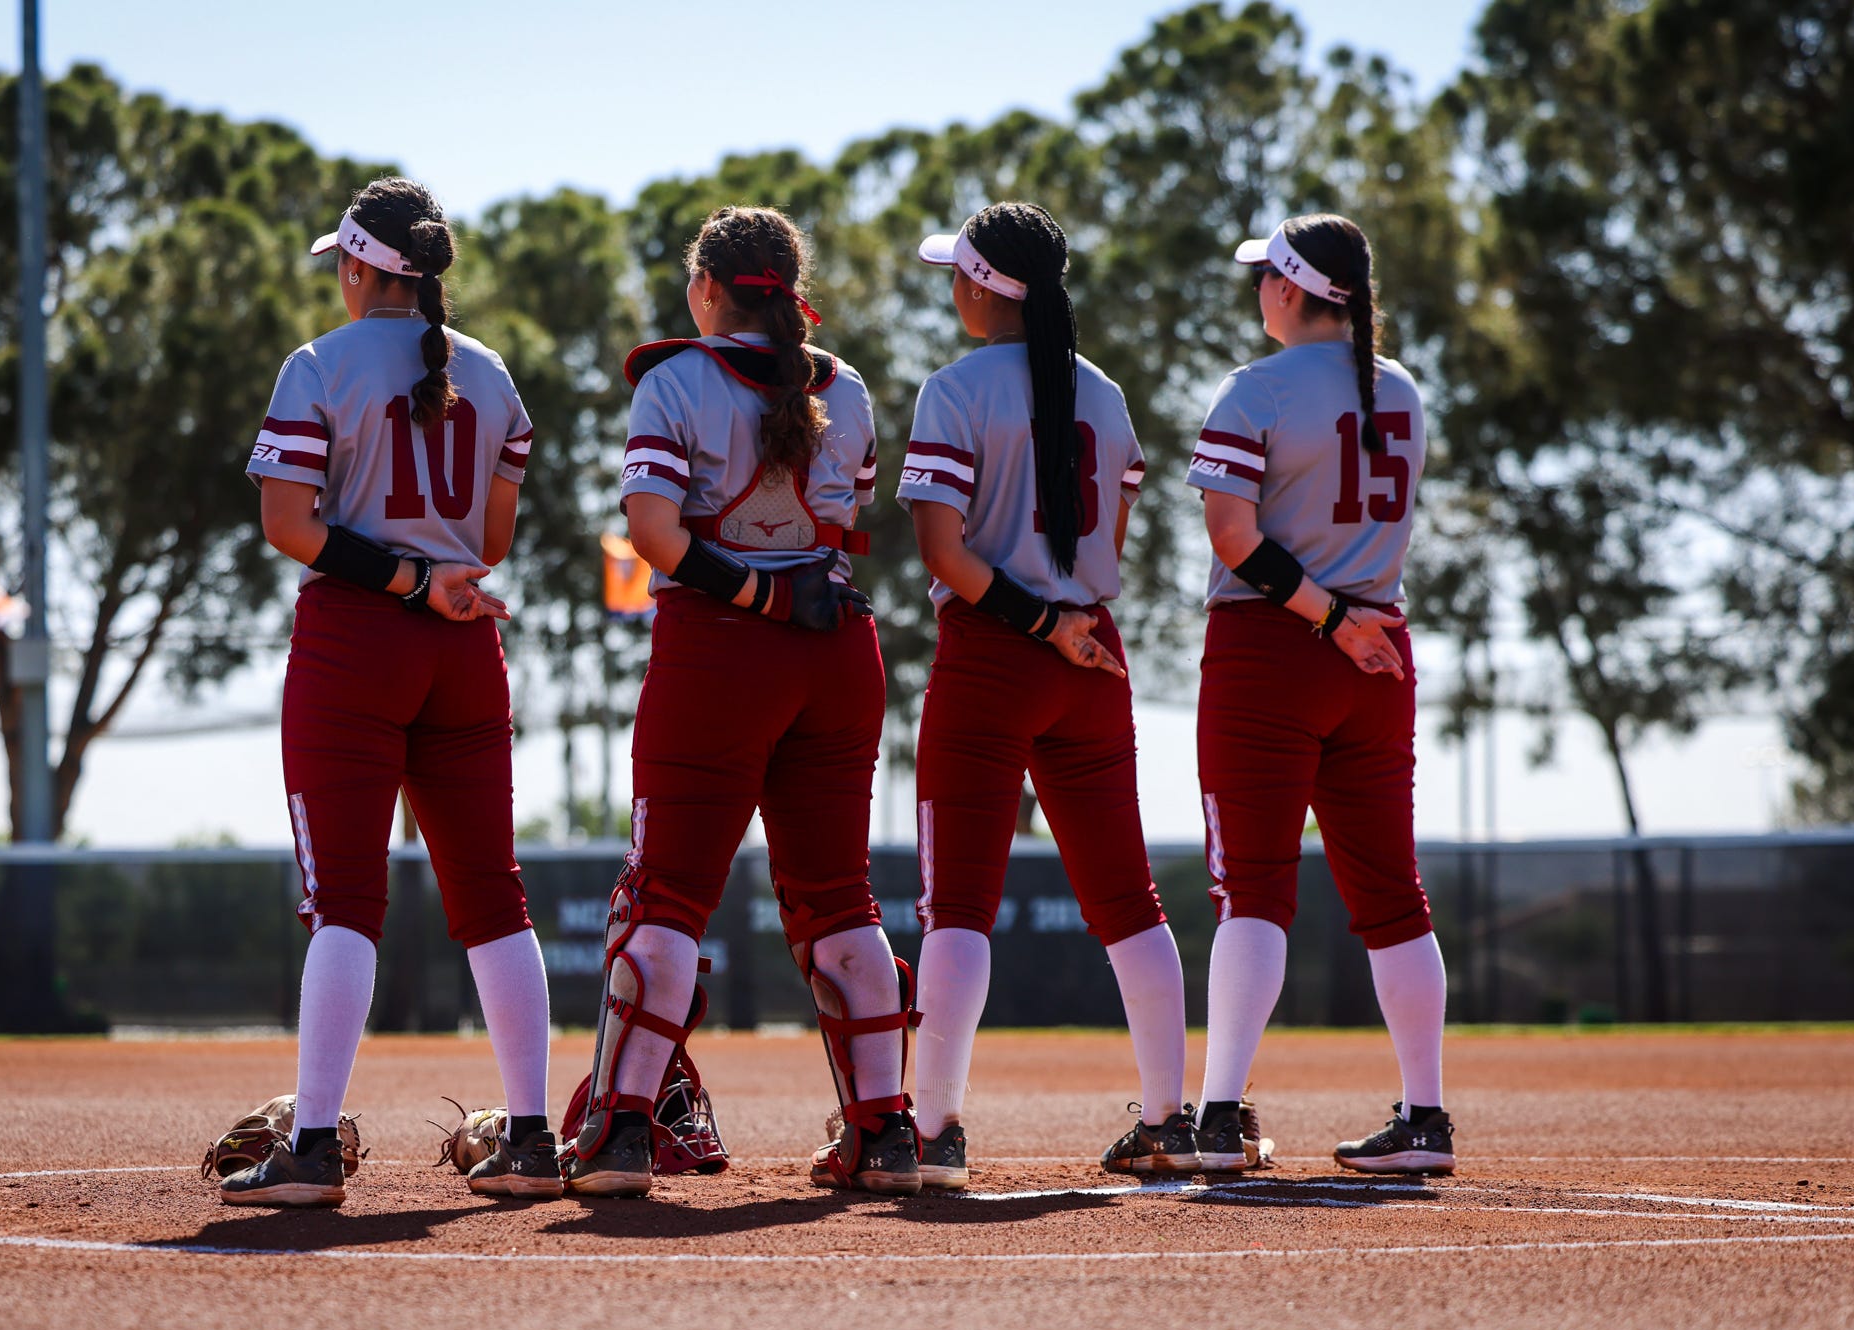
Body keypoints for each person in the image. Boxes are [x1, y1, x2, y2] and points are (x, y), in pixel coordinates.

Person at [561, 206, 922, 1198]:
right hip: (838, 652)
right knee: (838, 897)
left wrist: (755, 594)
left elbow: (652, 533)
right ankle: (886, 1133)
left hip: (721, 654)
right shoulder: (843, 388)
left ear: (708, 289)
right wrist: (787, 588)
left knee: (665, 897)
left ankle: (621, 1129)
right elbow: (847, 515)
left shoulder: (674, 381)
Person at [221, 177, 558, 1207]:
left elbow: (289, 526)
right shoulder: (492, 377)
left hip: (356, 644)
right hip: (463, 646)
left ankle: (314, 1148)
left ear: (363, 266)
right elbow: (491, 544)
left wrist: (402, 577)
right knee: (494, 898)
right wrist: (433, 573)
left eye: (341, 264)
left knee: (344, 904)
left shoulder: (317, 365)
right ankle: (534, 1138)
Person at [900, 202, 1194, 1190]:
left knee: (957, 908)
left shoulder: (952, 388)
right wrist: (1063, 621)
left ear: (988, 285)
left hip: (994, 650)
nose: (950, 287)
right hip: (1091, 655)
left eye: (959, 273)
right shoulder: (1104, 397)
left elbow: (943, 551)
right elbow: (1115, 521)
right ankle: (1167, 1118)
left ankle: (933, 1131)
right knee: (1126, 899)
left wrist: (1031, 622)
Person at [1186, 213, 1454, 1174]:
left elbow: (1233, 536)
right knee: (1393, 894)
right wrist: (1349, 621)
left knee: (1253, 891)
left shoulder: (1251, 389)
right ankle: (1426, 1115)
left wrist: (1323, 616)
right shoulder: (1405, 390)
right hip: (1382, 649)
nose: (1259, 289)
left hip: (1275, 645)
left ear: (1293, 291)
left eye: (1266, 276)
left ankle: (1219, 1117)